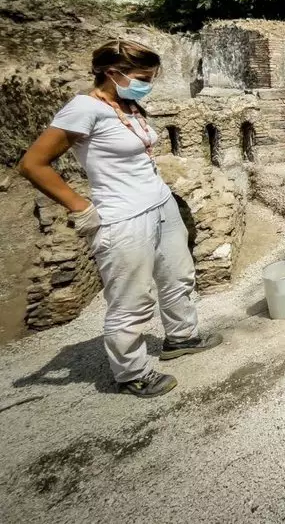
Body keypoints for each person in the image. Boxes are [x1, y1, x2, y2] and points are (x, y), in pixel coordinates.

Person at [19, 39, 222, 398]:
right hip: (123, 217)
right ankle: (131, 372)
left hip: (160, 204)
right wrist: (80, 207)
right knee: (132, 297)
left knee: (178, 275)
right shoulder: (83, 108)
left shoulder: (127, 104)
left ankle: (181, 337)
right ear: (112, 73)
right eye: (143, 76)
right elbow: (33, 164)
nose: (149, 83)